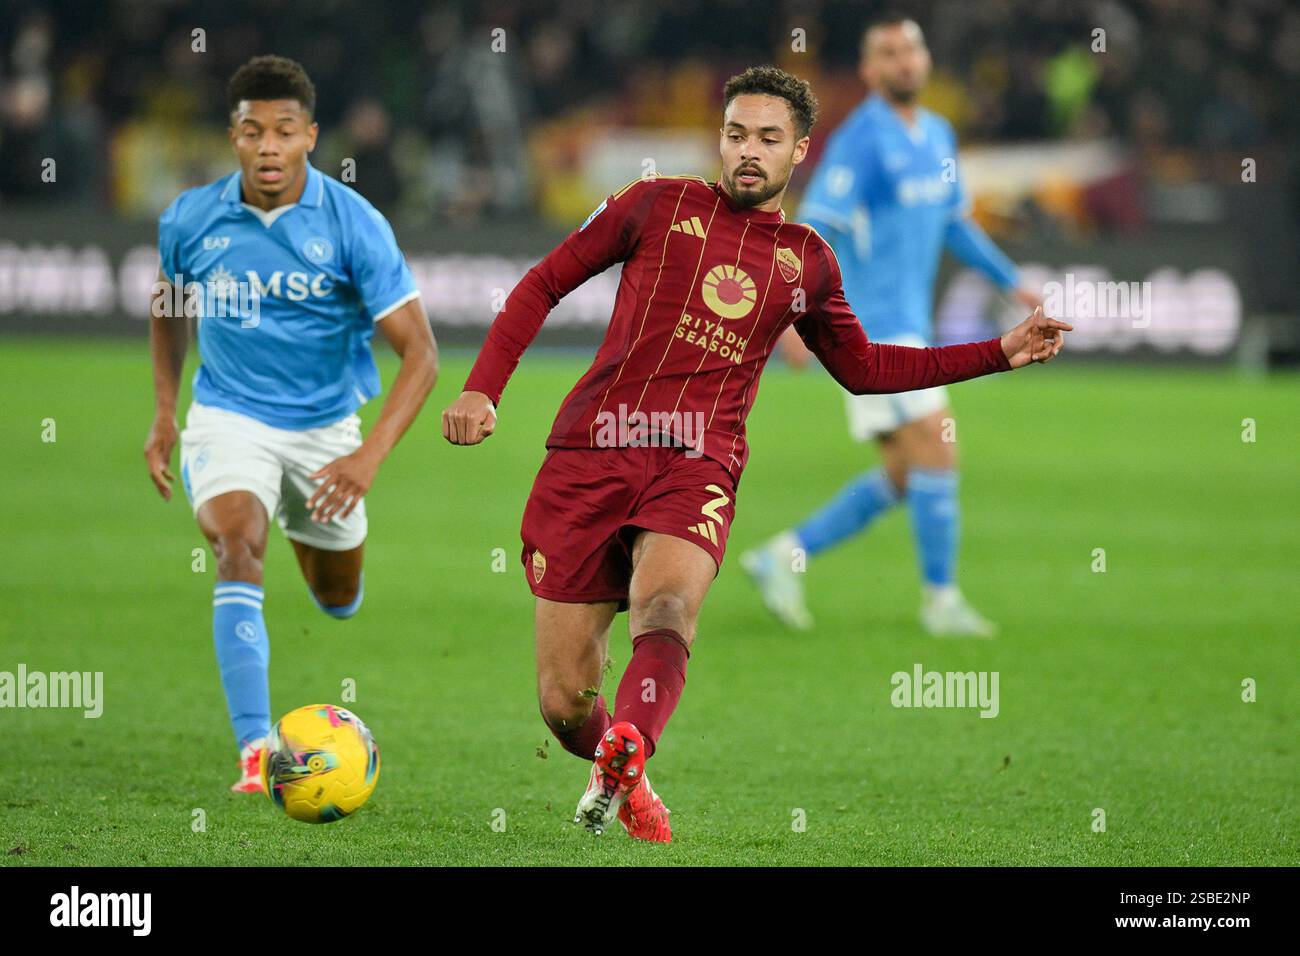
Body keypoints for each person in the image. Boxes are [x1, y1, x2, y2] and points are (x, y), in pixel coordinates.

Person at [441, 65, 1067, 842]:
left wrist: (996, 352)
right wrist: (483, 389)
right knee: (565, 703)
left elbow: (864, 367)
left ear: (798, 151)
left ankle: (634, 741)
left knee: (665, 608)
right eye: (736, 134)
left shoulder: (806, 260)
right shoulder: (654, 204)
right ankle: (624, 769)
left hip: (695, 463)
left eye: (768, 139)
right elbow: (541, 284)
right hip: (591, 452)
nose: (748, 151)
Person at [143, 55, 438, 792]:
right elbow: (169, 309)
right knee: (239, 544)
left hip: (328, 433)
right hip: (227, 417)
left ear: (310, 135)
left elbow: (422, 356)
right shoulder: (190, 219)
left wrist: (367, 457)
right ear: (233, 138)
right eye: (251, 131)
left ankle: (330, 575)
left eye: (283, 131)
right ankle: (255, 750)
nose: (267, 147)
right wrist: (163, 413)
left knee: (337, 598)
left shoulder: (353, 224)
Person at [743, 15, 1043, 636]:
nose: (903, 61)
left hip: (909, 325)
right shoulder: (860, 138)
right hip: (872, 329)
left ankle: (781, 557)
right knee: (940, 446)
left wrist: (1010, 278)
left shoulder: (937, 134)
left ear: (925, 59)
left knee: (908, 474)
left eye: (911, 49)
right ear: (869, 70)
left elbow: (954, 221)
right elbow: (819, 225)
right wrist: (799, 314)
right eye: (888, 53)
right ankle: (942, 601)